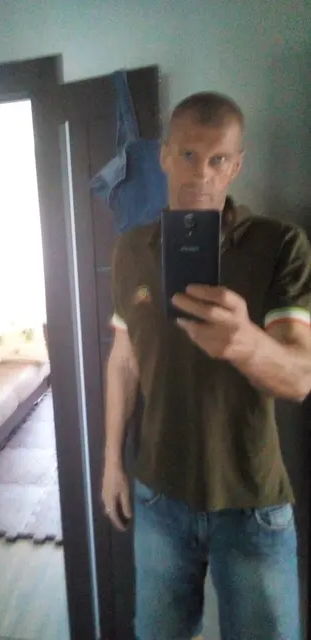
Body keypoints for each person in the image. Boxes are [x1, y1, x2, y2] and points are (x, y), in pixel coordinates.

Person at [101, 91, 311, 640]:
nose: (201, 173)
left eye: (218, 159)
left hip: (251, 500)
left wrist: (245, 342)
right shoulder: (131, 250)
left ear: (236, 165)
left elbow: (300, 378)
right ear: (165, 156)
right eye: (189, 155)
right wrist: (111, 462)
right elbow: (123, 360)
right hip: (158, 494)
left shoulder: (280, 245)